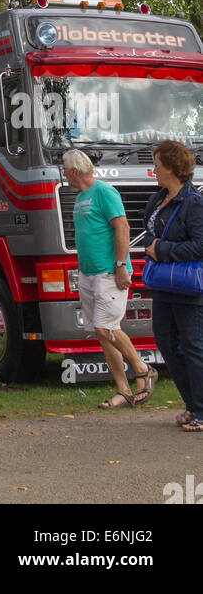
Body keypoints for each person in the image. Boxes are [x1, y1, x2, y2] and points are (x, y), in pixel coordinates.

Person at [63, 149, 157, 408]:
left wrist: (120, 266)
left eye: (64, 169)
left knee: (107, 328)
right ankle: (124, 391)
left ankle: (143, 369)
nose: (63, 173)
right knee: (101, 333)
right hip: (88, 274)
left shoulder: (104, 192)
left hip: (109, 272)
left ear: (74, 171)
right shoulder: (81, 197)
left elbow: (123, 227)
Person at [143, 140, 203, 432]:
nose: (153, 169)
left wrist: (163, 250)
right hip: (162, 285)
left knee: (193, 346)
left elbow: (200, 245)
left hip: (188, 287)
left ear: (170, 166)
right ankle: (192, 405)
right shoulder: (158, 199)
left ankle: (201, 411)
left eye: (156, 163)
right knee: (166, 342)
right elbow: (148, 233)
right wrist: (151, 246)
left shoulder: (194, 202)